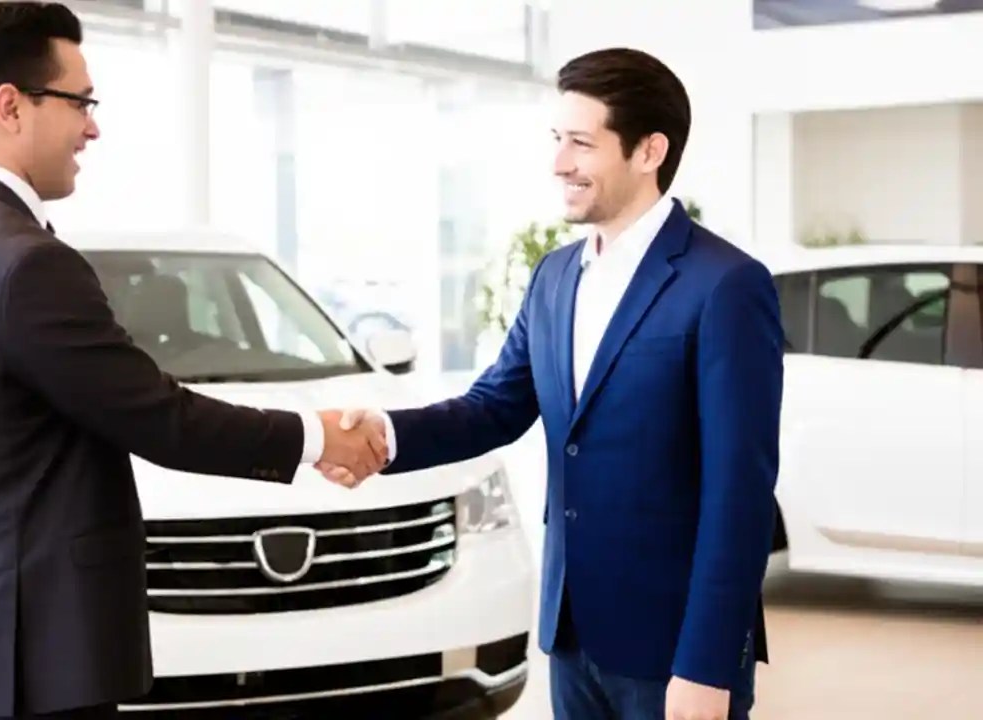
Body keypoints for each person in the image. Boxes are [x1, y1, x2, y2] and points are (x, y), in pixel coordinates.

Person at [0, 3, 386, 719]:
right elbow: (159, 418)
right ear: (10, 106)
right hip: (37, 665)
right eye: (81, 102)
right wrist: (319, 436)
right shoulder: (26, 264)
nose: (93, 126)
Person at [319, 47, 784, 720]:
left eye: (580, 143)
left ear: (649, 151)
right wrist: (385, 435)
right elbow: (493, 408)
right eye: (556, 139)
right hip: (573, 633)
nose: (558, 163)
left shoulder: (726, 286)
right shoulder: (555, 276)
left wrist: (707, 663)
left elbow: (739, 494)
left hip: (673, 649)